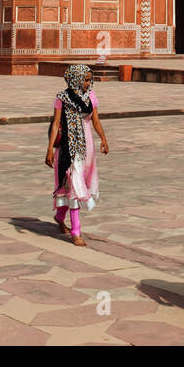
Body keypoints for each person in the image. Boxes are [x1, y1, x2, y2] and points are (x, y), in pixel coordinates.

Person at [45, 65, 108, 247]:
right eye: (85, 79)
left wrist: (103, 138)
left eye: (89, 79)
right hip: (68, 148)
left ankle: (59, 216)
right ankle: (76, 231)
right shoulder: (62, 98)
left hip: (86, 146)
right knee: (75, 184)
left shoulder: (91, 97)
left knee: (74, 184)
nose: (88, 83)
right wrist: (50, 149)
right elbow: (56, 124)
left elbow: (95, 120)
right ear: (75, 79)